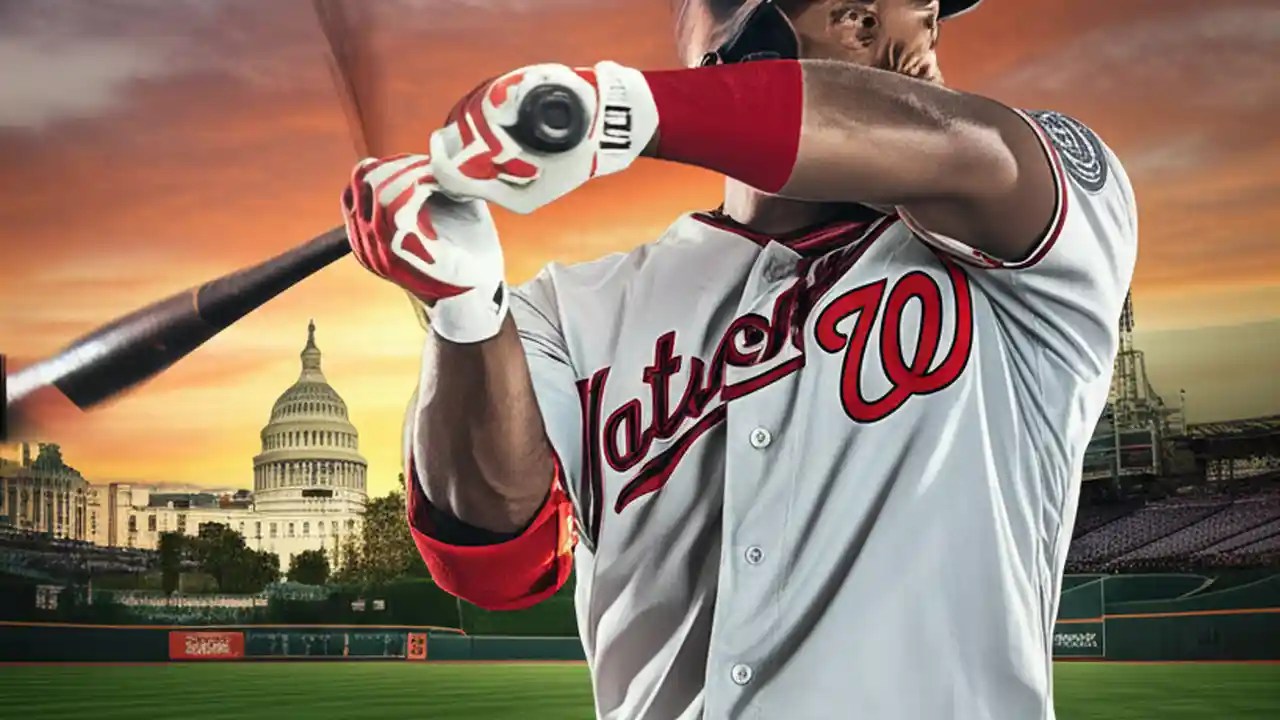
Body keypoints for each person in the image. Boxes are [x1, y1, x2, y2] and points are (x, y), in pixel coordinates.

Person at [341, 0, 1138, 717]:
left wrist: (620, 109)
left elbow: (968, 148)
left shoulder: (1034, 220)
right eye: (861, 12)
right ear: (739, 52)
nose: (920, 32)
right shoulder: (567, 310)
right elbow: (493, 564)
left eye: (927, 11)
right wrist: (467, 308)